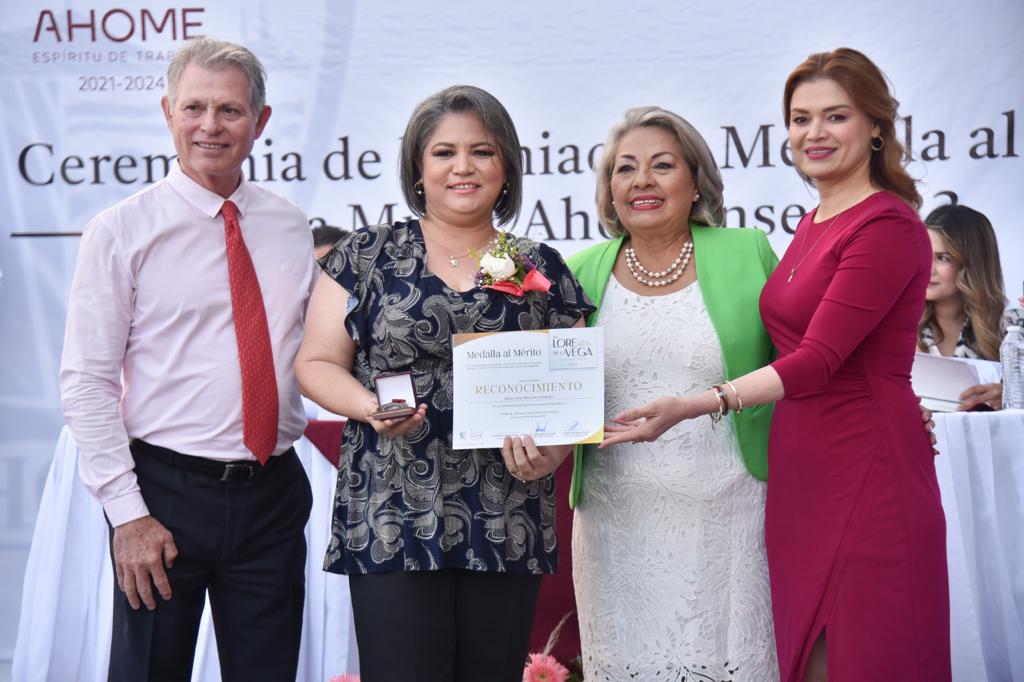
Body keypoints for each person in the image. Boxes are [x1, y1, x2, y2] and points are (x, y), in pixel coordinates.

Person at [603, 48, 951, 681]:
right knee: (808, 657)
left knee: (865, 653)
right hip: (800, 471)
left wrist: (693, 404)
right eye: (800, 118)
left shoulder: (887, 226)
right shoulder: (814, 222)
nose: (813, 133)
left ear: (876, 127)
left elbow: (818, 360)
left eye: (835, 116)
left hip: (865, 466)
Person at [294, 85, 594, 682]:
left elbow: (573, 388)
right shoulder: (366, 256)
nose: (463, 167)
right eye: (443, 152)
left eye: (481, 151)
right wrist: (369, 405)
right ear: (417, 167)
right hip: (390, 508)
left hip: (507, 507)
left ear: (505, 166)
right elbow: (316, 363)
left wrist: (553, 451)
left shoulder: (541, 266)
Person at [59, 38, 316, 682]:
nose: (210, 126)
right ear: (168, 113)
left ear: (261, 122)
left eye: (229, 110)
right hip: (162, 499)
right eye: (194, 107)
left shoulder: (290, 225)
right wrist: (128, 514)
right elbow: (87, 382)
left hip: (272, 495)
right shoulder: (121, 231)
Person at [566, 106, 780, 680]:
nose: (642, 181)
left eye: (662, 165)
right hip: (616, 521)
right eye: (624, 168)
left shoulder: (746, 252)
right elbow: (553, 392)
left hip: (733, 515)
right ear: (608, 190)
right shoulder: (576, 272)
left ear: (696, 183)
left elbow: (802, 363)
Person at [919, 203, 1023, 409]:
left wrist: (1010, 395)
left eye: (942, 258)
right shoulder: (899, 326)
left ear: (972, 263)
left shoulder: (1013, 326)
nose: (927, 268)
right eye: (922, 253)